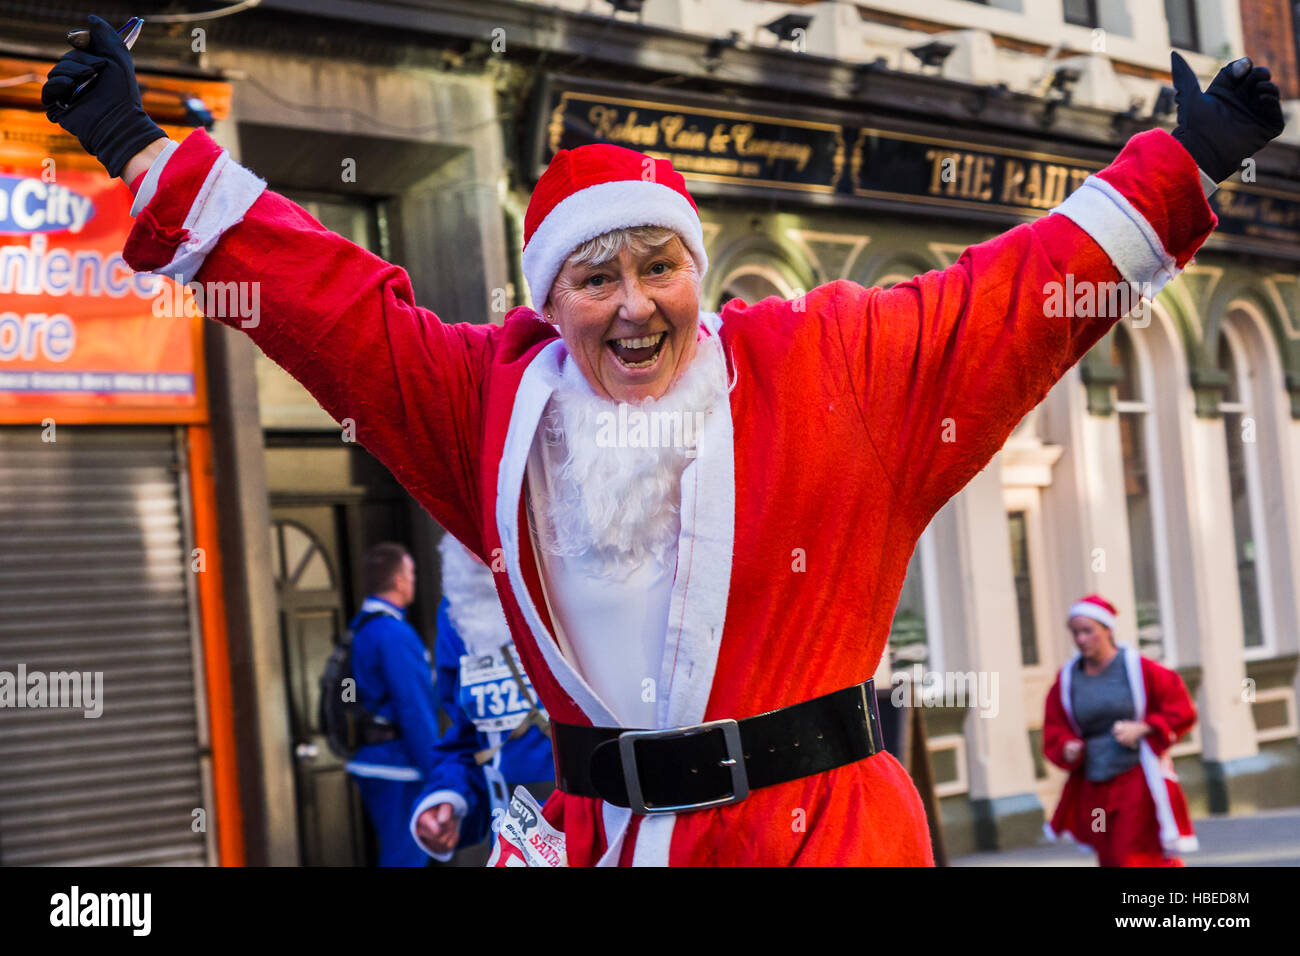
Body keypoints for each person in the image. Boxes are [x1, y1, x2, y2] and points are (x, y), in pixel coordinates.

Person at [44, 16, 1284, 865]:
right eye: (595, 277)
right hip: (616, 842)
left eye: (656, 265)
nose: (633, 303)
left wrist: (1187, 162)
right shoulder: (487, 405)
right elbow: (332, 310)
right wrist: (140, 152)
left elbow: (1008, 299)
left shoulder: (832, 364)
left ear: (695, 271)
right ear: (547, 296)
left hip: (823, 835)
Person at [409, 535, 554, 864]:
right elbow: (468, 740)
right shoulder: (455, 612)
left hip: (600, 836)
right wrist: (448, 797)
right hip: (514, 844)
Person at [1042, 595, 1198, 866]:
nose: (1080, 639)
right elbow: (1055, 725)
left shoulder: (1139, 669)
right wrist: (1067, 745)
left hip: (1135, 780)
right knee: (1108, 854)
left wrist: (1144, 727)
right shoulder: (1068, 679)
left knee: (1133, 854)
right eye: (1075, 632)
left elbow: (1181, 709)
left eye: (1088, 631)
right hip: (1094, 785)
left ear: (1107, 630)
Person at [344, 542, 442, 867]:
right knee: (406, 857)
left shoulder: (361, 627)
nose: (413, 581)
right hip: (399, 765)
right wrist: (438, 775)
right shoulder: (394, 634)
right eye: (411, 574)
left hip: (374, 759)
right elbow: (415, 710)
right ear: (400, 581)